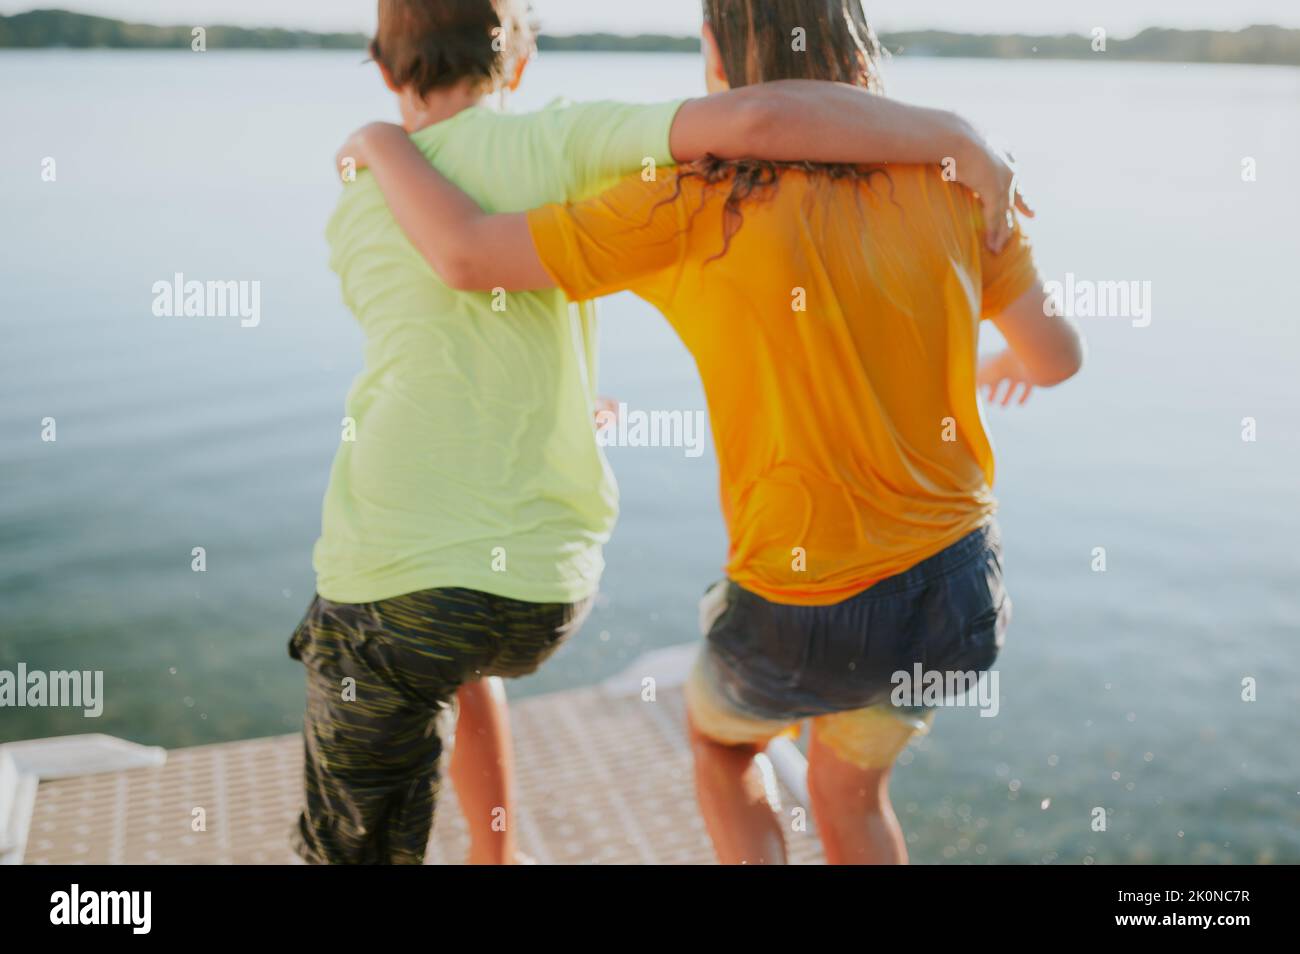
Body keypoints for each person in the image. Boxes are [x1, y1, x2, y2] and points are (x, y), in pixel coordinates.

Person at [337, 0, 1084, 864]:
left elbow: (469, 253)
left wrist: (381, 143)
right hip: (955, 585)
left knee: (726, 745)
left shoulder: (696, 200)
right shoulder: (959, 182)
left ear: (721, 63)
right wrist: (1003, 367)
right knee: (853, 796)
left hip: (801, 599)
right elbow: (1058, 354)